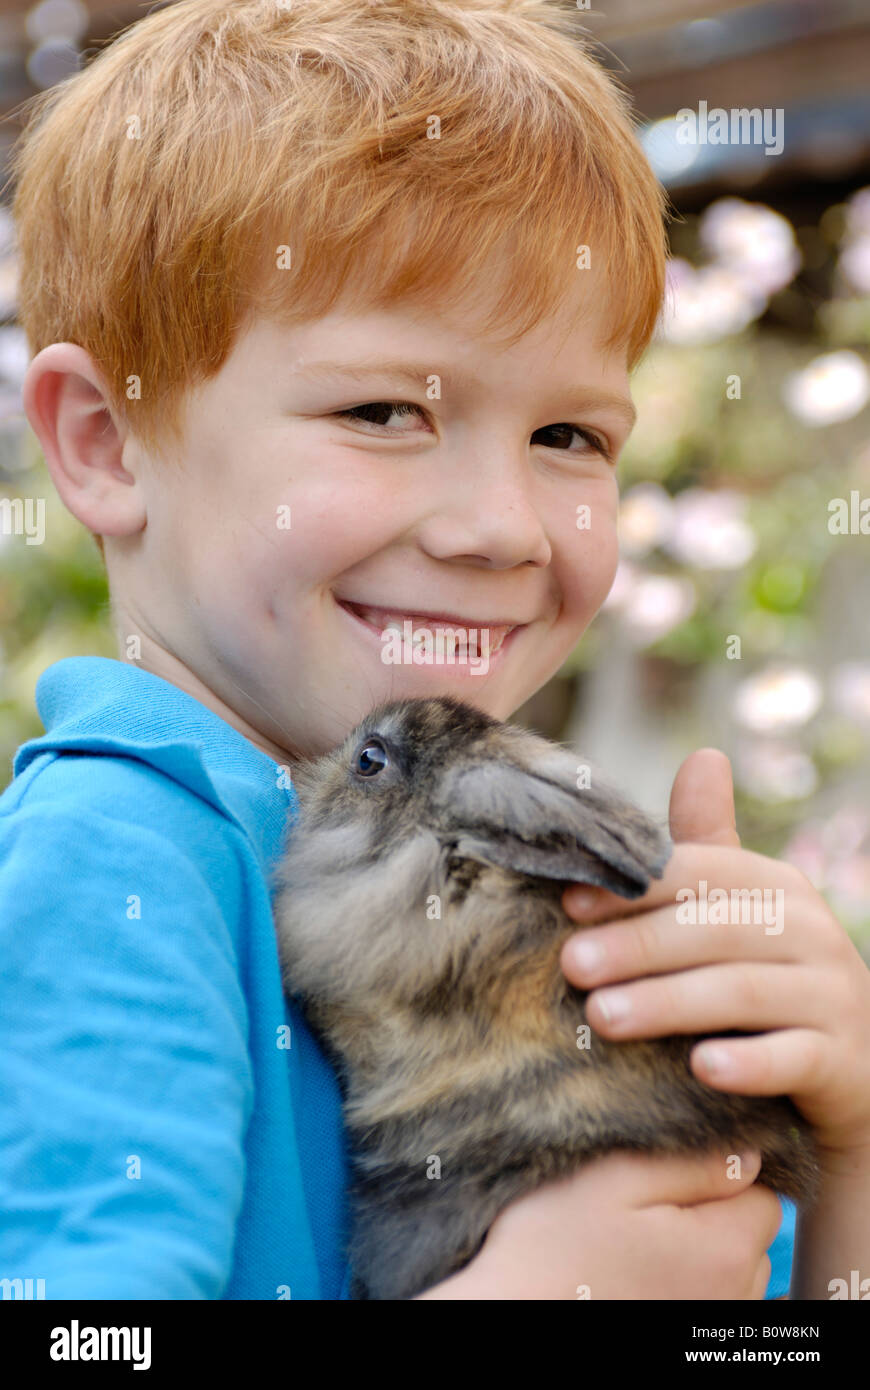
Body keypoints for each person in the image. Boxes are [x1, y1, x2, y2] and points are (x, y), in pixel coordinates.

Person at [3, 0, 869, 1300]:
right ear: (104, 442)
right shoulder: (119, 858)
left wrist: (840, 1134)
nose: (498, 526)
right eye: (383, 409)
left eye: (569, 436)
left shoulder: (539, 864)